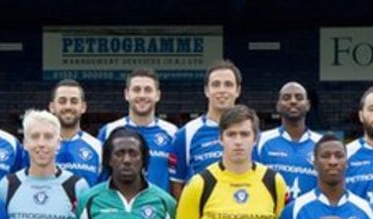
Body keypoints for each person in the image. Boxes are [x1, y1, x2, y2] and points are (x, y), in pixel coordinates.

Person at [169, 60, 242, 198]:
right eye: (216, 84)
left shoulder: (248, 133)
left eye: (228, 84)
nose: (222, 90)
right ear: (206, 90)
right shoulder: (186, 134)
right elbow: (177, 184)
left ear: (237, 91)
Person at [97, 68, 178, 193]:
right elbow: (101, 176)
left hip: (158, 209)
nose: (142, 95)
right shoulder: (109, 131)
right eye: (136, 90)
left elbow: (177, 180)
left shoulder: (173, 133)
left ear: (157, 95)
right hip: (119, 210)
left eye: (148, 90)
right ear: (126, 94)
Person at [257, 81, 323, 199]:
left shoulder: (321, 144)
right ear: (278, 105)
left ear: (308, 105)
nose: (293, 101)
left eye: (299, 97)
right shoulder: (261, 141)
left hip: (308, 216)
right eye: (286, 98)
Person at [48, 79, 103, 185]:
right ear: (52, 107)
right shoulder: (39, 146)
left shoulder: (98, 147)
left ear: (83, 107)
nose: (68, 106)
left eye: (74, 101)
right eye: (62, 101)